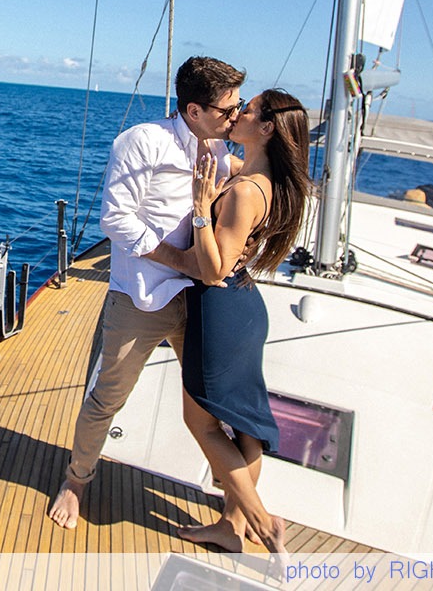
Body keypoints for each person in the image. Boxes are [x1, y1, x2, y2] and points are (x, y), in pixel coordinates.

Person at [47, 55, 246, 529]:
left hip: (200, 299)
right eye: (228, 110)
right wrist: (183, 261)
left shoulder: (218, 146)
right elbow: (115, 219)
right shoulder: (143, 142)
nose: (235, 117)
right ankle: (76, 481)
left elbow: (244, 179)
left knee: (217, 402)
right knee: (107, 397)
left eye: (239, 108)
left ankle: (236, 502)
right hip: (142, 297)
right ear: (193, 110)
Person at [151, 87, 312, 555]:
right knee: (245, 427)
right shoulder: (262, 178)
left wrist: (201, 210)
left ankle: (262, 522)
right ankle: (231, 526)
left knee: (201, 423)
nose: (238, 113)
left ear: (266, 128)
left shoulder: (244, 191)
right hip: (244, 306)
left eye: (249, 109)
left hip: (220, 308)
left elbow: (214, 269)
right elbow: (220, 162)